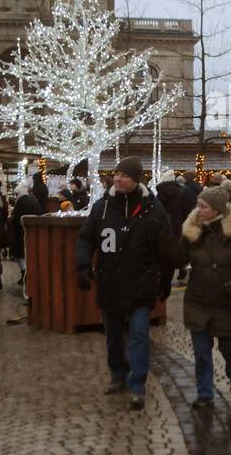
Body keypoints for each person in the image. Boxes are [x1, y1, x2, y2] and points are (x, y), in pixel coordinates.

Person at [75, 157, 178, 410]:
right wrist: (83, 266)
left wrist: (166, 278)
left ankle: (137, 384)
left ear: (137, 179)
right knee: (113, 336)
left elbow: (166, 248)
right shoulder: (102, 207)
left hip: (140, 283)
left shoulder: (153, 209)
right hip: (110, 282)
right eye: (117, 174)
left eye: (125, 175)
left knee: (139, 334)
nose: (119, 179)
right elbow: (86, 238)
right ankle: (118, 375)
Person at [179, 186, 231, 407]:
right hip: (198, 300)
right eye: (198, 205)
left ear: (216, 209)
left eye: (203, 206)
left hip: (228, 300)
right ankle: (205, 394)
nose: (199, 209)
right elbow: (178, 256)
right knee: (202, 353)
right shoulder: (192, 229)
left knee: (230, 349)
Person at [7, 180, 43, 287]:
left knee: (21, 255)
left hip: (21, 233)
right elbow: (39, 213)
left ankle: (25, 275)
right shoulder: (34, 200)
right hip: (33, 232)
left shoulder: (21, 202)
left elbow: (17, 219)